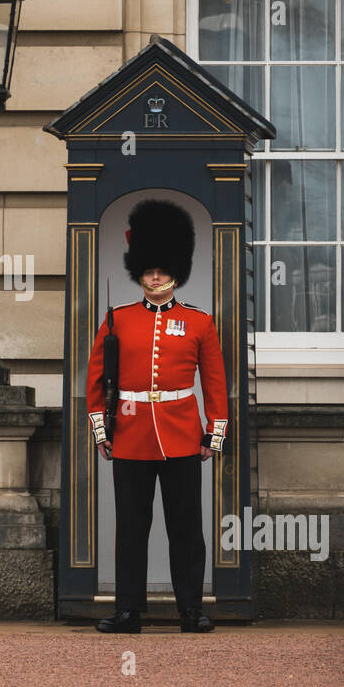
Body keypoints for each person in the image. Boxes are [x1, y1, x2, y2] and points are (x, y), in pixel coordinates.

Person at [86, 199, 229, 634]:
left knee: (185, 528)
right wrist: (100, 431)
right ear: (140, 271)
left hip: (183, 436)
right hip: (130, 434)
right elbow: (95, 380)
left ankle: (190, 609)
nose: (154, 276)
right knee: (131, 529)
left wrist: (214, 435)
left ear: (174, 271)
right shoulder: (117, 320)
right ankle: (129, 610)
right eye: (148, 269)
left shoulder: (199, 322)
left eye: (161, 269)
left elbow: (216, 385)